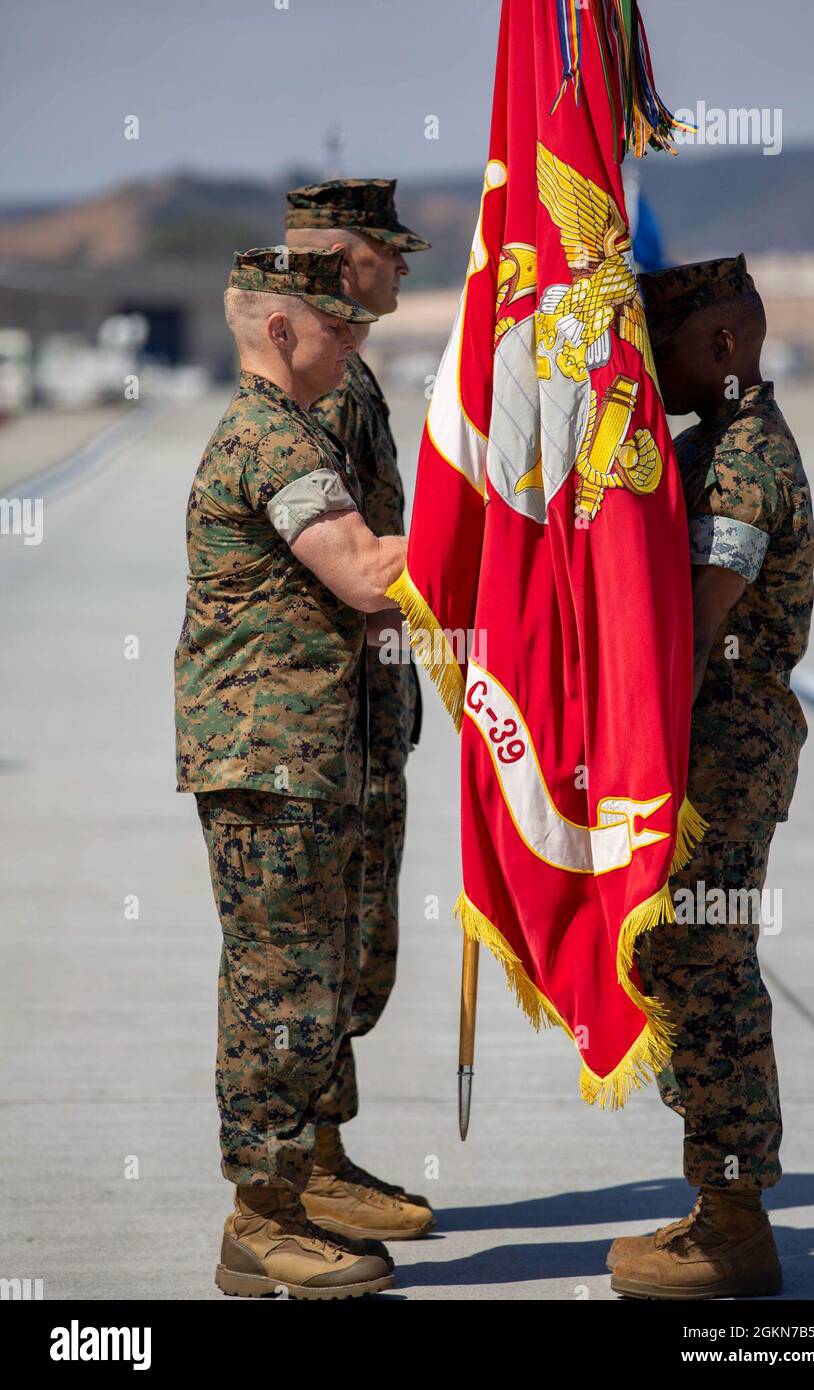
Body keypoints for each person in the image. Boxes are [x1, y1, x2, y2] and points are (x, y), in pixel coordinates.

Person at [174, 245, 408, 1299]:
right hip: (270, 759)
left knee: (307, 982)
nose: (356, 339)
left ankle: (292, 1190)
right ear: (278, 331)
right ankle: (258, 1221)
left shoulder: (299, 426)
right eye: (336, 326)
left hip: (303, 756)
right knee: (280, 990)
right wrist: (498, 531)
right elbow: (364, 572)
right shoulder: (269, 439)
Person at [607, 255, 814, 1299]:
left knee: (707, 967)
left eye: (662, 351)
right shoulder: (703, 448)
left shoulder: (743, 464)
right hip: (698, 752)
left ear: (724, 348)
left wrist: (622, 746)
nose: (646, 372)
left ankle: (734, 1222)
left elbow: (689, 626)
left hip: (721, 757)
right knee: (684, 966)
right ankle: (719, 1200)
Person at [281, 179, 434, 1240]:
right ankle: (297, 1170)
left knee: (356, 945)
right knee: (318, 948)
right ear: (343, 254)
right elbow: (357, 564)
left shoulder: (348, 373)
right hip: (322, 717)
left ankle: (323, 1150)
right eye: (390, 250)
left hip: (364, 705)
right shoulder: (319, 390)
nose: (406, 267)